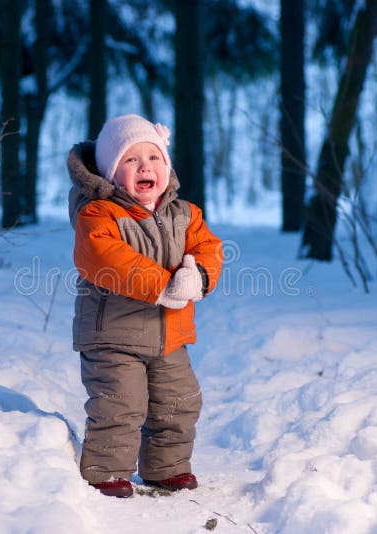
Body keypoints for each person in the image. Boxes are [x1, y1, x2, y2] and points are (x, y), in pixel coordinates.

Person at [66, 114, 223, 498]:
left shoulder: (185, 214)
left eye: (152, 158)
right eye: (131, 160)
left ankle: (167, 468)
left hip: (169, 334)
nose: (145, 167)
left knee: (180, 401)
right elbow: (106, 257)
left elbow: (208, 248)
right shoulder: (98, 214)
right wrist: (160, 285)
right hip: (112, 336)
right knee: (120, 402)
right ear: (112, 173)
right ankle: (107, 471)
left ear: (166, 167)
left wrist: (195, 275)